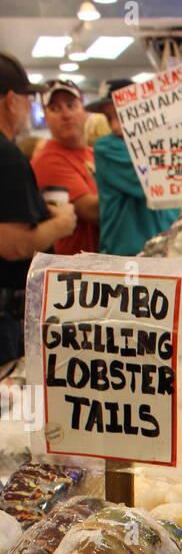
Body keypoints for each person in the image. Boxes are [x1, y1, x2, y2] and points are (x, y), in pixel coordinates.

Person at [0, 53, 76, 370]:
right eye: (29, 99)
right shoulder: (7, 155)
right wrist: (62, 223)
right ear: (10, 100)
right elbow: (13, 243)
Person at [87, 79, 181, 258]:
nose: (115, 126)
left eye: (123, 115)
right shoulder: (107, 148)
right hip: (126, 260)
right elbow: (155, 181)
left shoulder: (163, 145)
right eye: (109, 118)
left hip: (169, 253)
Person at [31, 79, 99, 255]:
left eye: (71, 105)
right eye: (55, 109)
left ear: (83, 110)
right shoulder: (48, 160)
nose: (66, 114)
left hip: (101, 265)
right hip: (75, 271)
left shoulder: (94, 153)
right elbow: (91, 211)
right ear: (45, 117)